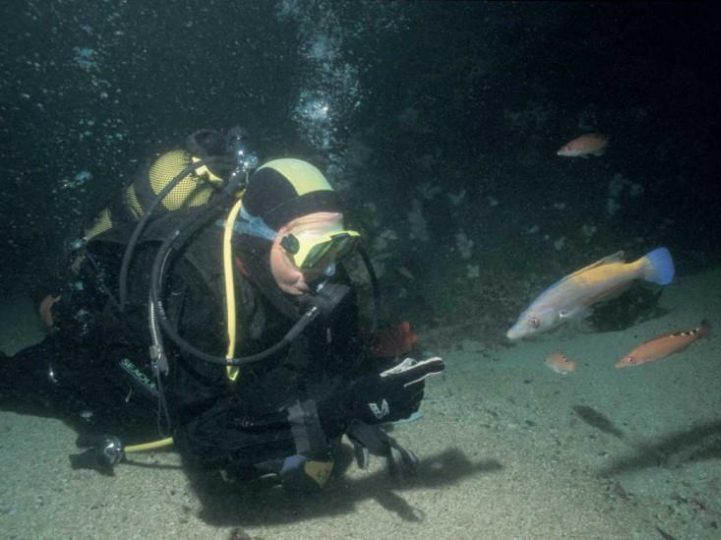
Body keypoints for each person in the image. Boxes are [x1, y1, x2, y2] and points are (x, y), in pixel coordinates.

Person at [0, 128, 445, 491]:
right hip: (114, 362)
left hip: (220, 369)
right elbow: (201, 438)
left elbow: (323, 372)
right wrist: (342, 411)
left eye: (337, 246)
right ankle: (46, 282)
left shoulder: (319, 276)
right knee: (49, 366)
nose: (324, 272)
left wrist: (376, 368)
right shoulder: (191, 286)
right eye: (311, 251)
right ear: (254, 241)